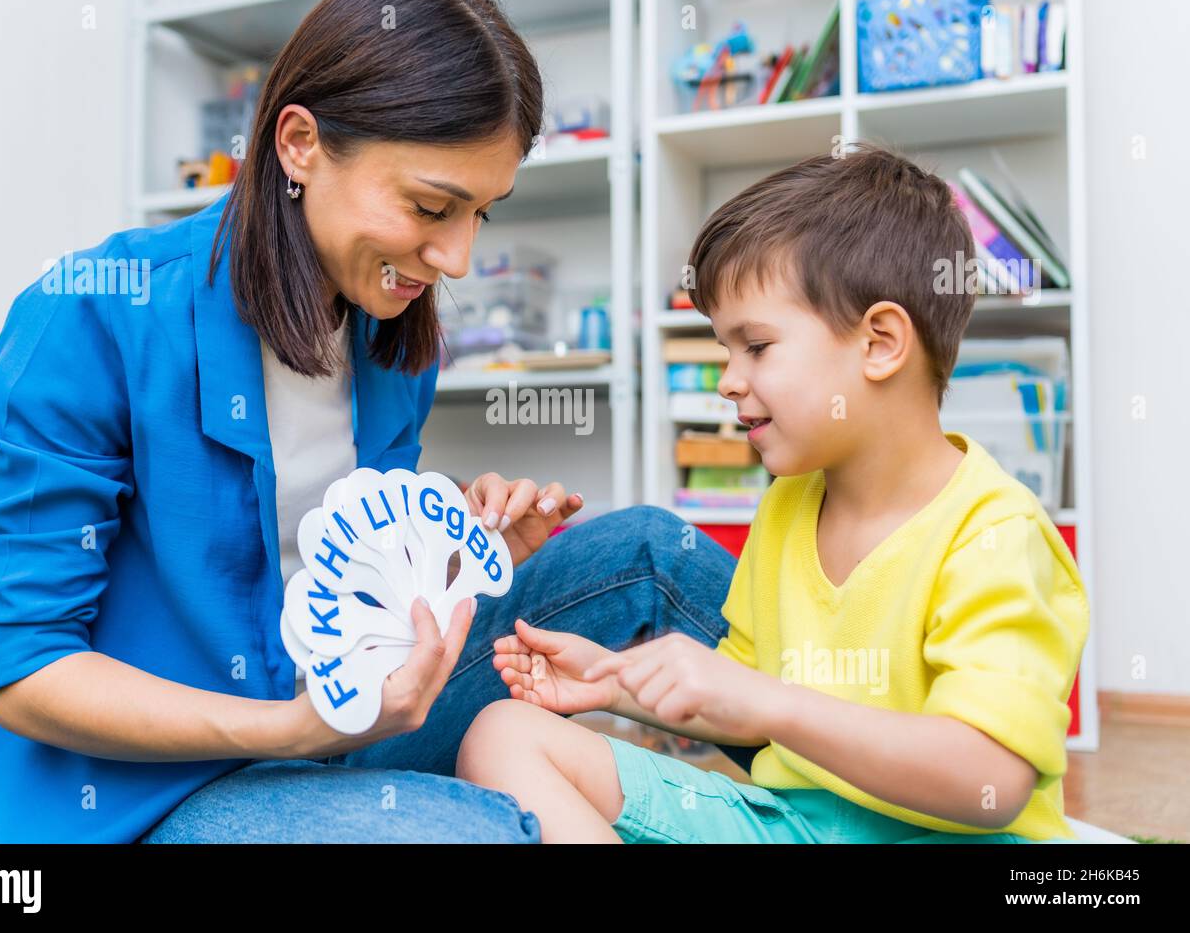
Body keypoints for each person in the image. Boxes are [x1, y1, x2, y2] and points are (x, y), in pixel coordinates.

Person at [0, 0, 752, 843]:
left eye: (479, 214)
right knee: (471, 830)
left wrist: (459, 556)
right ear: (300, 143)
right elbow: (24, 671)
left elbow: (341, 575)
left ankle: (857, 777)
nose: (456, 256)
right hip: (136, 793)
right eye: (431, 206)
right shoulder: (95, 316)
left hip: (330, 725)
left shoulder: (386, 336)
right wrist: (296, 729)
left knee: (652, 551)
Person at [456, 145, 1090, 844]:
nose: (727, 378)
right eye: (724, 349)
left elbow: (989, 780)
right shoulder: (788, 505)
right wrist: (616, 684)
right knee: (502, 733)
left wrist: (772, 703)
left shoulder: (995, 531)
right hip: (794, 825)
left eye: (754, 346)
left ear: (880, 342)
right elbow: (738, 696)